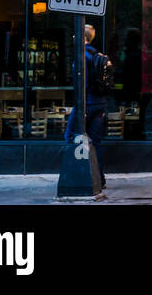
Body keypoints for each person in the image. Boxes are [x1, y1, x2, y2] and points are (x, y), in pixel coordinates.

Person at [63, 23, 109, 188]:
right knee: (96, 142)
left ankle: (77, 175)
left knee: (70, 136)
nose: (73, 38)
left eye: (75, 35)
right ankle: (99, 179)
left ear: (82, 37)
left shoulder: (82, 56)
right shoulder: (97, 54)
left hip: (86, 103)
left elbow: (82, 83)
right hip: (100, 104)